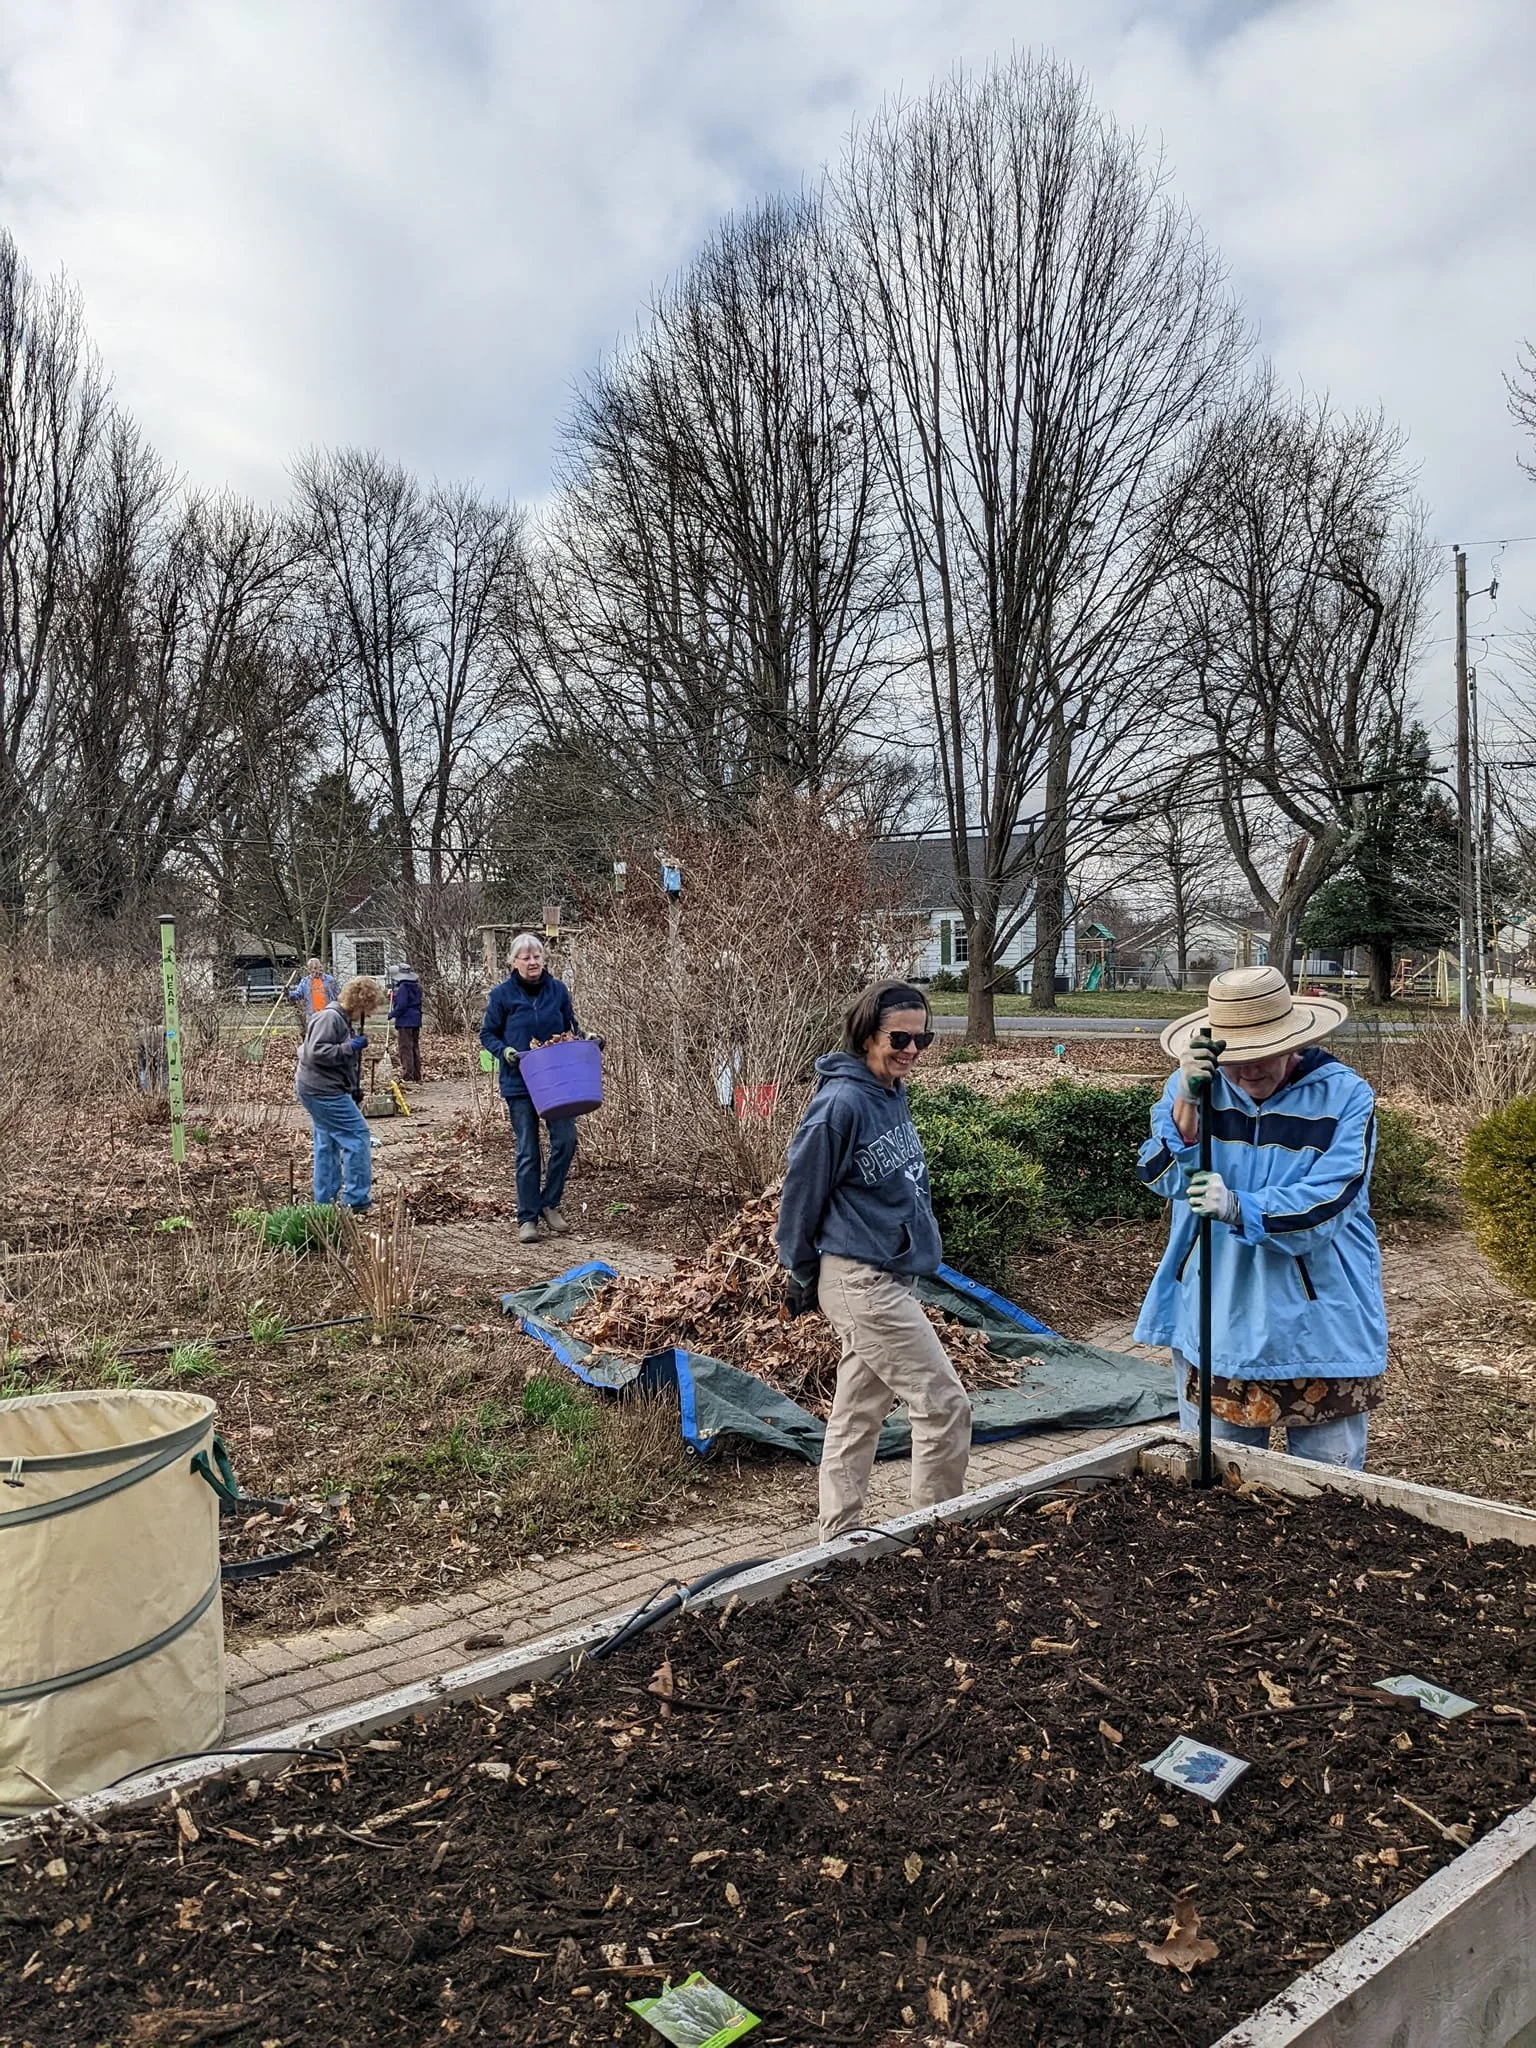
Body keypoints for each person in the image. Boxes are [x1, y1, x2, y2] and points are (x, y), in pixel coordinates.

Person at [1133, 964, 1388, 1471]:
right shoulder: (1192, 1085)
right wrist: (1187, 1103)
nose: (1248, 1071)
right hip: (1214, 1313)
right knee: (1218, 1480)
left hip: (1319, 1325)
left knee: (1327, 1486)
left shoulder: (1346, 1097)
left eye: (1263, 1055)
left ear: (1294, 1042)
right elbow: (1160, 1174)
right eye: (1235, 1059)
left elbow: (1329, 1203)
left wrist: (1239, 1206)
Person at [775, 979, 972, 1543]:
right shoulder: (840, 1106)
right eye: (899, 1038)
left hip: (889, 1274)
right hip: (860, 1281)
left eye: (922, 1039)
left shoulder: (889, 1091)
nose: (912, 1050)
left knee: (858, 1411)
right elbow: (800, 1194)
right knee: (943, 1404)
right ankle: (936, 1535)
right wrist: (799, 1268)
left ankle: (836, 1539)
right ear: (867, 1035)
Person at [479, 934, 586, 1245]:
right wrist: (504, 1051)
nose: (532, 962)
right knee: (528, 1150)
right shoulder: (502, 995)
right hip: (519, 1081)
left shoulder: (558, 990)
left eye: (537, 956)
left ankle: (549, 1203)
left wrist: (586, 1038)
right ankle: (527, 1218)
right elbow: (487, 1033)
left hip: (556, 1080)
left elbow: (571, 1028)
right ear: (514, 962)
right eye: (525, 957)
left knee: (565, 1140)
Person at [295, 975, 382, 1214]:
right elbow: (315, 1053)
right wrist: (348, 1047)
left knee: (327, 1142)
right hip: (322, 1090)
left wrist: (352, 1088)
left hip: (320, 1088)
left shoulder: (340, 1019)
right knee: (357, 1136)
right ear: (360, 1002)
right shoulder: (330, 1017)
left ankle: (325, 1202)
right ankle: (356, 1200)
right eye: (370, 1008)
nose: (371, 1014)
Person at [388, 964, 423, 1082]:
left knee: (405, 1048)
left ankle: (408, 1075)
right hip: (416, 1020)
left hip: (405, 1021)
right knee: (414, 1047)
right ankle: (417, 1074)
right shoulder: (416, 987)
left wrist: (392, 1014)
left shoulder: (403, 987)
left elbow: (402, 1005)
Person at [287, 956, 337, 1021]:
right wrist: (288, 993)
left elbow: (337, 996)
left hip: (328, 1015)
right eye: (315, 968)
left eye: (320, 967)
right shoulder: (305, 982)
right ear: (309, 970)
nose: (318, 970)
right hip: (312, 1017)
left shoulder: (330, 980)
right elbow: (298, 995)